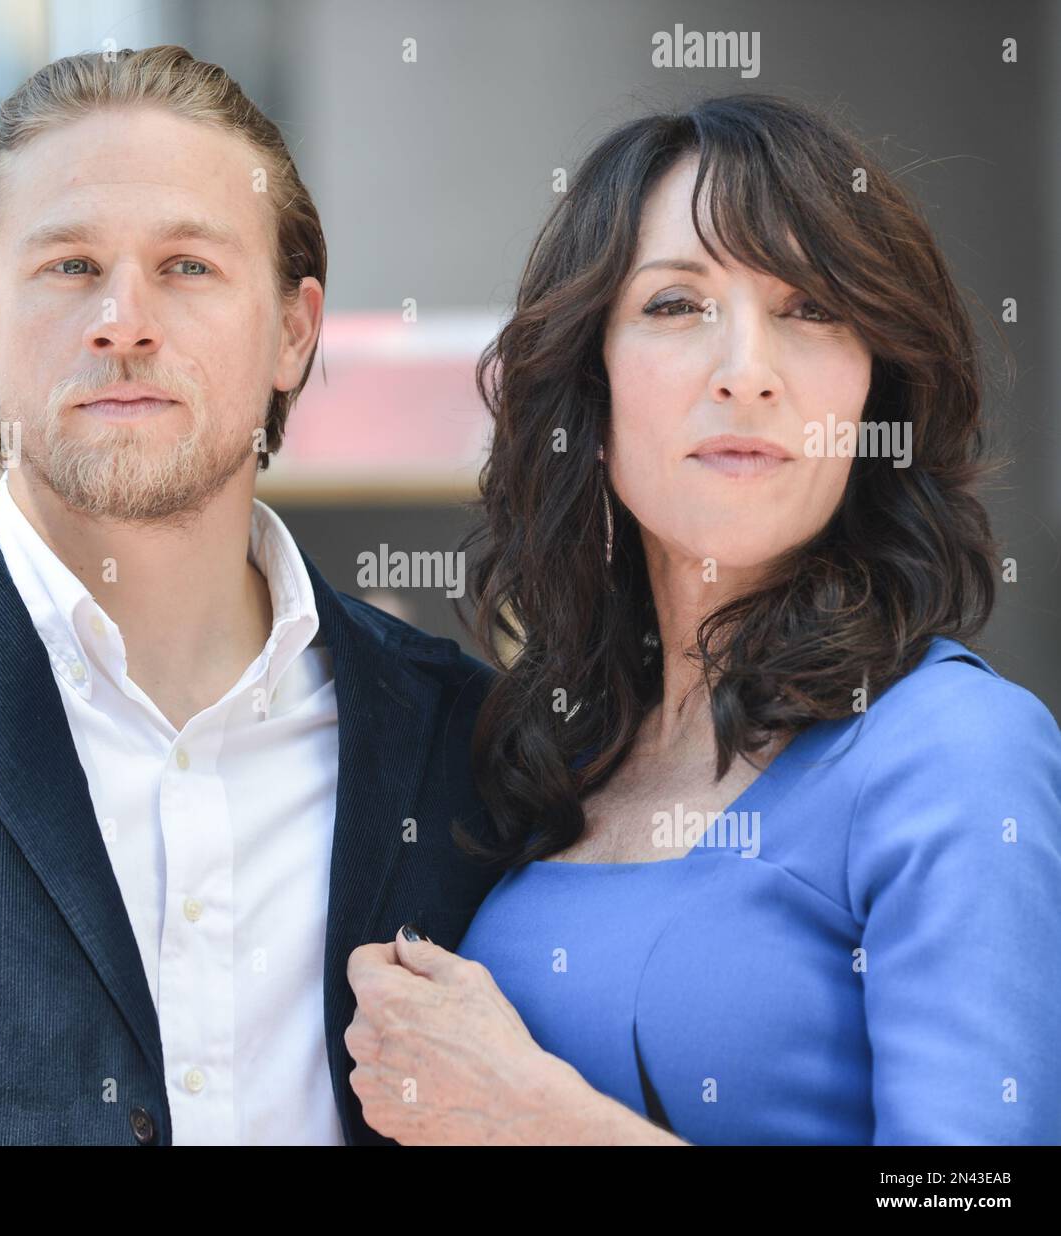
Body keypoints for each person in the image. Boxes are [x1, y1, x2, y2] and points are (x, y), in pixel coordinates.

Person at [0, 46, 501, 1146]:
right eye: (67, 266)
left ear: (294, 332)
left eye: (189, 267)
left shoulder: (465, 736)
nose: (123, 321)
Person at [345, 93, 1061, 1146]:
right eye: (677, 305)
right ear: (587, 393)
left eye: (811, 309)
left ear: (875, 396)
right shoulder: (552, 747)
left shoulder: (951, 753)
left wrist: (531, 1122)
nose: (746, 372)